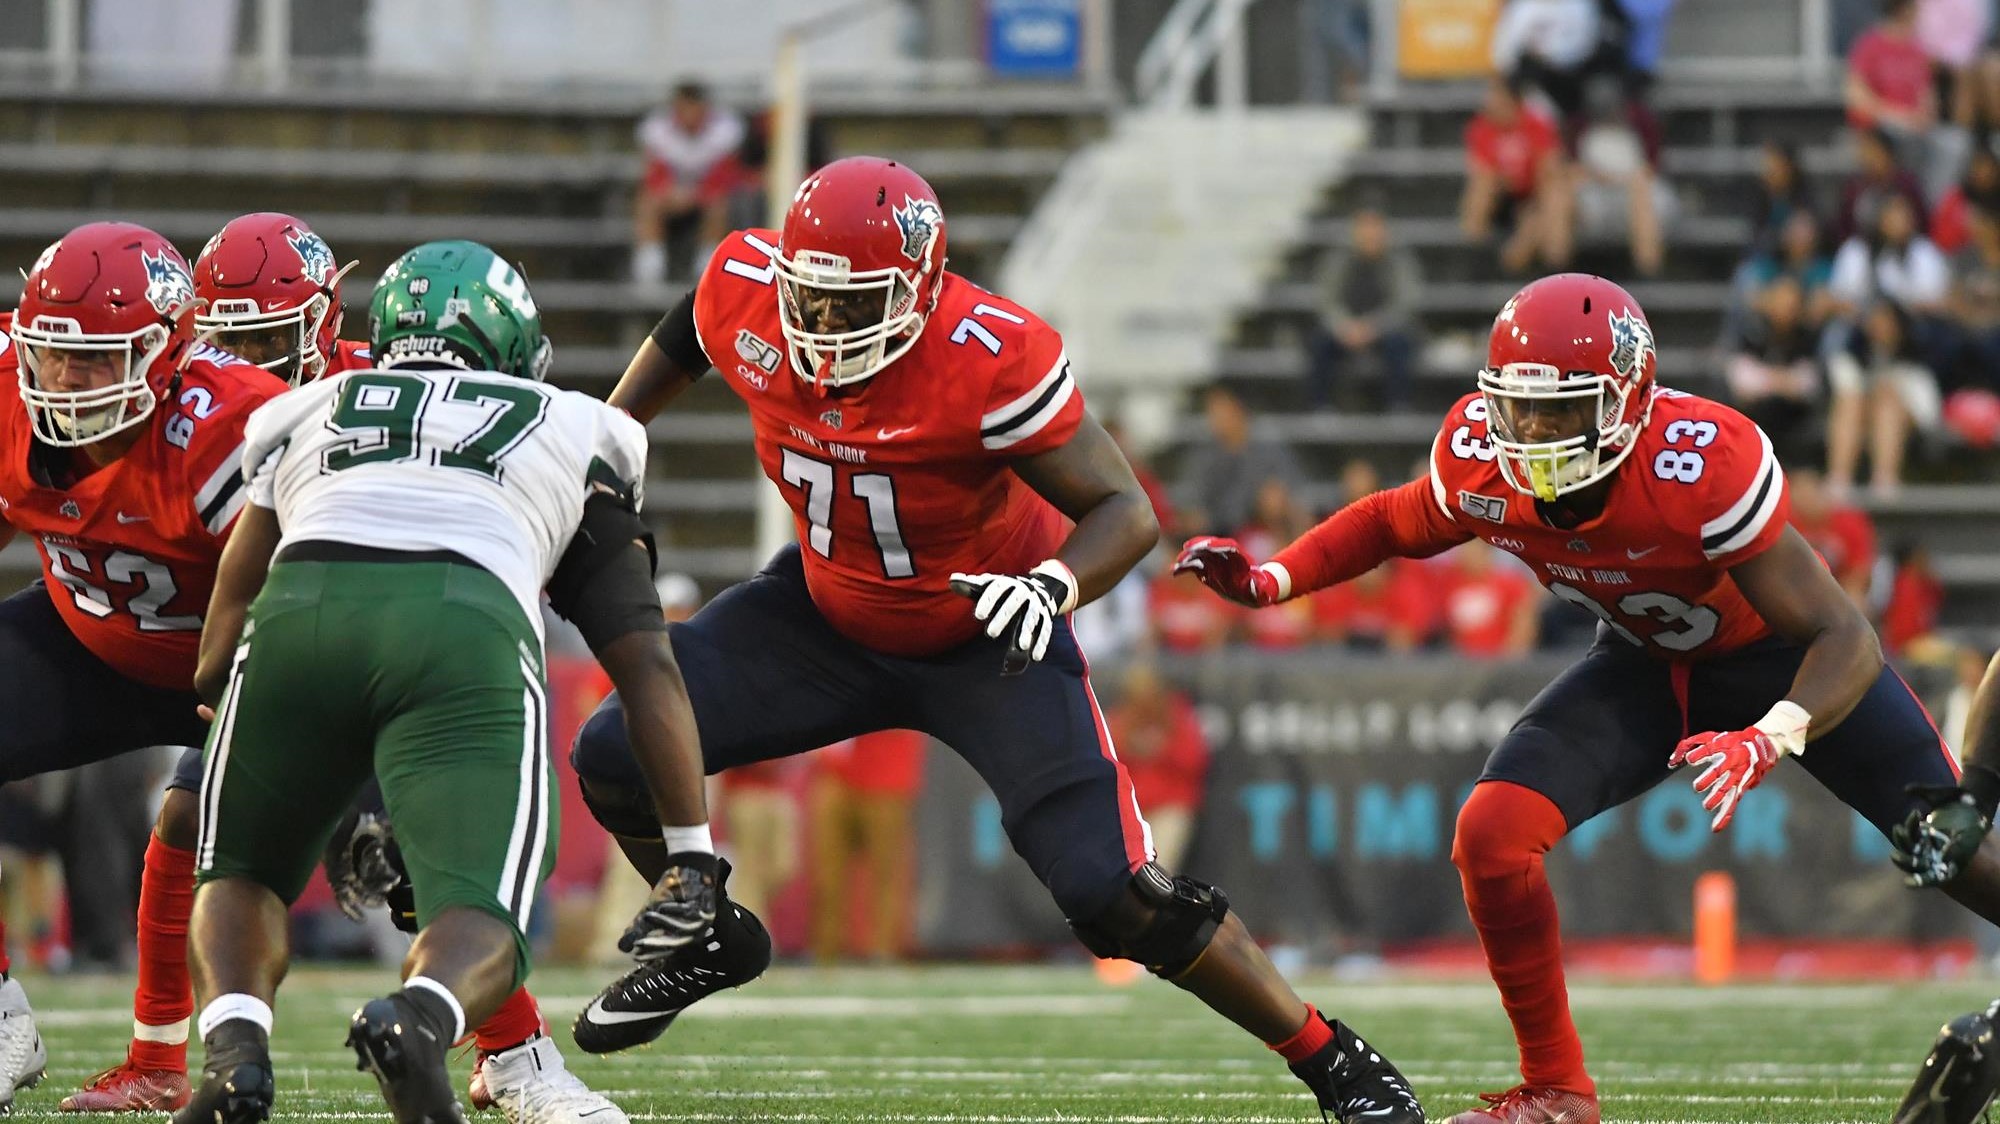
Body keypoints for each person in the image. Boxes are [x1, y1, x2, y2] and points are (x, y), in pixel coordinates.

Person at [564, 156, 1425, 1122]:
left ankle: (1332, 1058)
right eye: (811, 297)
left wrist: (1052, 584)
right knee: (613, 753)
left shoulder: (988, 355)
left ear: (921, 288)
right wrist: (607, 441)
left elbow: (1125, 509)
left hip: (987, 630)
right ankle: (715, 932)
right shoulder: (746, 288)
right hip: (823, 614)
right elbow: (693, 324)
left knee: (1113, 894)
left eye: (856, 304)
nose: (825, 325)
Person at [1176, 272, 2000, 1124]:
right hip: (1646, 666)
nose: (1533, 434)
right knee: (1492, 836)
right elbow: (1392, 519)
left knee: (1951, 843)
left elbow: (1844, 634)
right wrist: (1273, 580)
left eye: (1560, 411)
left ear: (1627, 400)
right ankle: (1557, 1092)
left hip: (1783, 664)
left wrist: (1771, 732)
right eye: (1519, 409)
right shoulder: (1484, 462)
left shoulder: (1698, 465)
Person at [170, 240, 719, 1124]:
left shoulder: (309, 406)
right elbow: (645, 659)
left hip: (300, 609)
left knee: (241, 871)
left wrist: (297, 744)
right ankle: (419, 1019)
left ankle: (235, 1053)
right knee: (481, 907)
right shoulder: (578, 423)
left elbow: (218, 642)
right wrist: (689, 852)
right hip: (463, 619)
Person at [0, 223, 290, 1115]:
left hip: (237, 661)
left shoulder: (229, 425)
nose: (65, 380)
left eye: (96, 358)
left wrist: (275, 685)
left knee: (400, 845)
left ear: (166, 353)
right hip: (90, 640)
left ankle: (516, 1050)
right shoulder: (9, 390)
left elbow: (315, 589)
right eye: (52, 355)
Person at [808, 730, 927, 962]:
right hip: (835, 772)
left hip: (886, 773)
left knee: (887, 873)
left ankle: (882, 954)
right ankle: (825, 954)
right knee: (826, 875)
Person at [1306, 205, 1422, 411]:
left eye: (1375, 228)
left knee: (1400, 344)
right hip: (1344, 329)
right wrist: (1344, 325)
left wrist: (1372, 327)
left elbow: (1405, 303)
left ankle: (1398, 405)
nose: (1370, 234)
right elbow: (1326, 301)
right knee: (1319, 343)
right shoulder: (1338, 260)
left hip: (1385, 330)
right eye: (1364, 228)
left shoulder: (1398, 261)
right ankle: (1320, 406)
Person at [631, 82, 745, 287]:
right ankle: (650, 268)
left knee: (719, 205)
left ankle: (707, 269)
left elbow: (725, 174)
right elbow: (653, 173)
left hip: (708, 195)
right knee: (648, 202)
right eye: (684, 108)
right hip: (671, 194)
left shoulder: (725, 131)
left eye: (694, 108)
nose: (690, 115)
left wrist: (697, 194)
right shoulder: (656, 130)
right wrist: (671, 192)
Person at [1462, 75, 1574, 274]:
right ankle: (1474, 253)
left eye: (1496, 96)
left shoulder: (1537, 124)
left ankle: (1553, 267)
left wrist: (1532, 206)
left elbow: (1549, 170)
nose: (1489, 101)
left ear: (1512, 100)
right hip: (1502, 197)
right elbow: (1482, 171)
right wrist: (1505, 182)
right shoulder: (1481, 128)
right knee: (1482, 185)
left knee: (1555, 199)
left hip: (1534, 197)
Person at [1104, 662, 1210, 871]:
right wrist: (1131, 746)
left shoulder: (1176, 714)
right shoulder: (1120, 718)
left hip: (1168, 807)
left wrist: (1162, 748)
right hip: (1127, 810)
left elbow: (1195, 761)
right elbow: (1105, 764)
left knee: (1158, 870)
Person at [1175, 385, 1307, 536]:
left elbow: (1292, 491)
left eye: (1221, 411)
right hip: (1216, 532)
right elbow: (1190, 499)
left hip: (1260, 530)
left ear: (1239, 410)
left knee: (1277, 501)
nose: (1215, 419)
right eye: (1211, 413)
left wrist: (1277, 502)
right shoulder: (1204, 453)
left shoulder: (1267, 446)